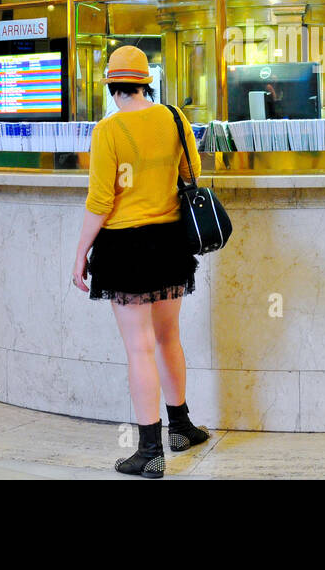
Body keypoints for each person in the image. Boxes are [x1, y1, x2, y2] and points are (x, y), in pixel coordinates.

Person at [71, 46, 210, 478]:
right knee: (169, 338)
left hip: (126, 247)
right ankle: (181, 427)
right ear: (145, 81)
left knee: (139, 347)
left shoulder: (108, 130)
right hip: (171, 241)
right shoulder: (174, 117)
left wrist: (80, 254)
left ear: (112, 84)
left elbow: (100, 199)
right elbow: (193, 174)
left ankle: (149, 450)